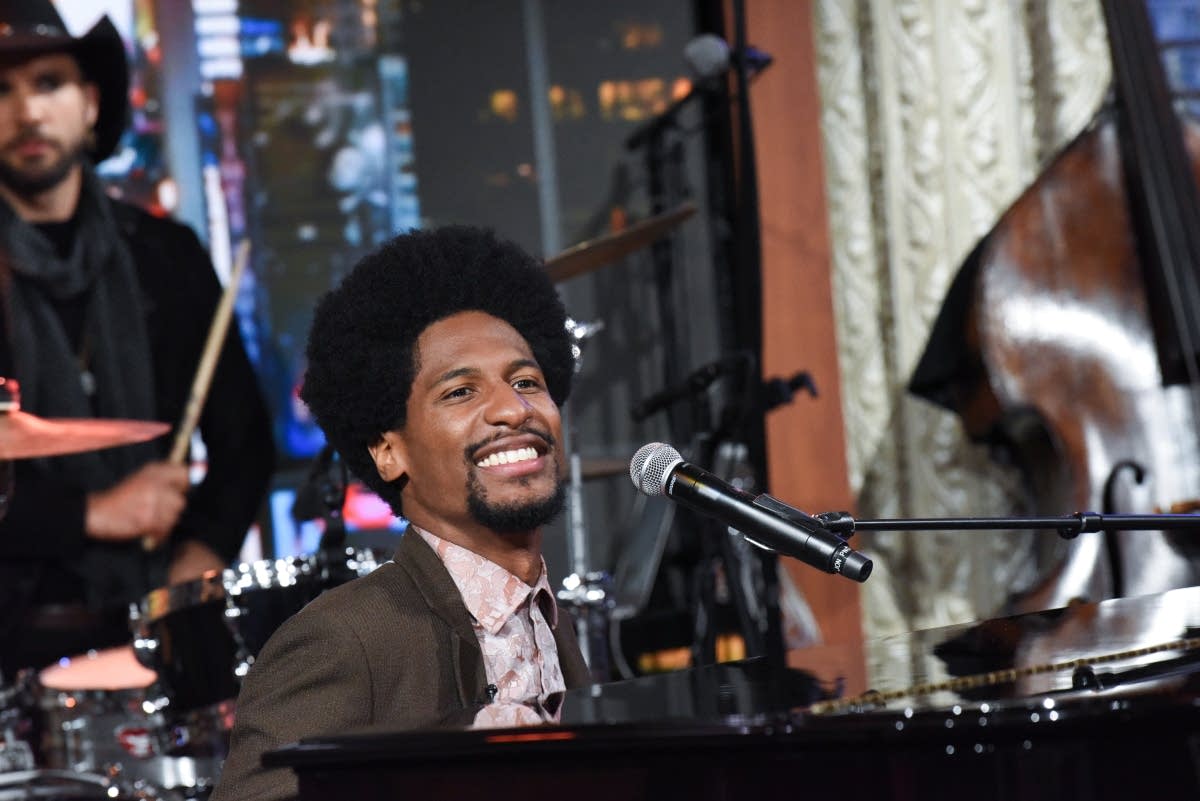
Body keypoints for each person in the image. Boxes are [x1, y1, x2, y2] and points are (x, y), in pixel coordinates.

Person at [212, 226, 592, 801]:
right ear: (389, 451)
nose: (513, 409)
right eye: (461, 392)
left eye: (526, 382)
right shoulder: (339, 642)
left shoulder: (551, 623)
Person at [0, 2, 275, 678]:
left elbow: (245, 441)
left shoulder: (166, 255)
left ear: (91, 102)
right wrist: (91, 513)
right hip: (16, 634)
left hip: (163, 620)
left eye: (49, 83)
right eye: (0, 91)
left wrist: (201, 549)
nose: (28, 112)